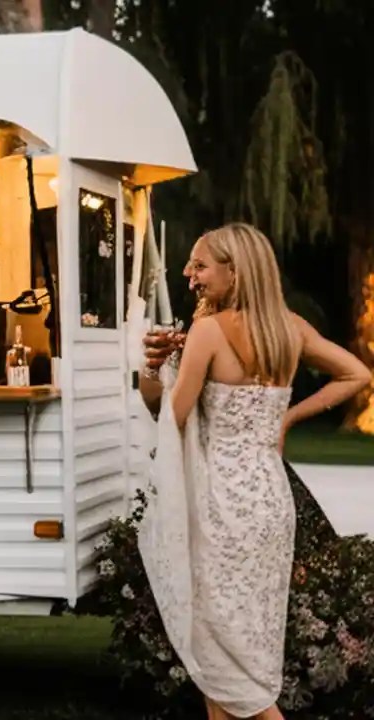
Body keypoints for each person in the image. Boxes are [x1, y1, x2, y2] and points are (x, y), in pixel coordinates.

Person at [134, 223, 369, 720]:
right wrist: (287, 416)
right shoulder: (290, 328)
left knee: (221, 652)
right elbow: (357, 373)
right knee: (235, 652)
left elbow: (171, 418)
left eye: (200, 265)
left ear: (235, 271)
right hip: (269, 503)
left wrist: (154, 369)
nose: (189, 273)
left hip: (219, 503)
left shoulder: (209, 332)